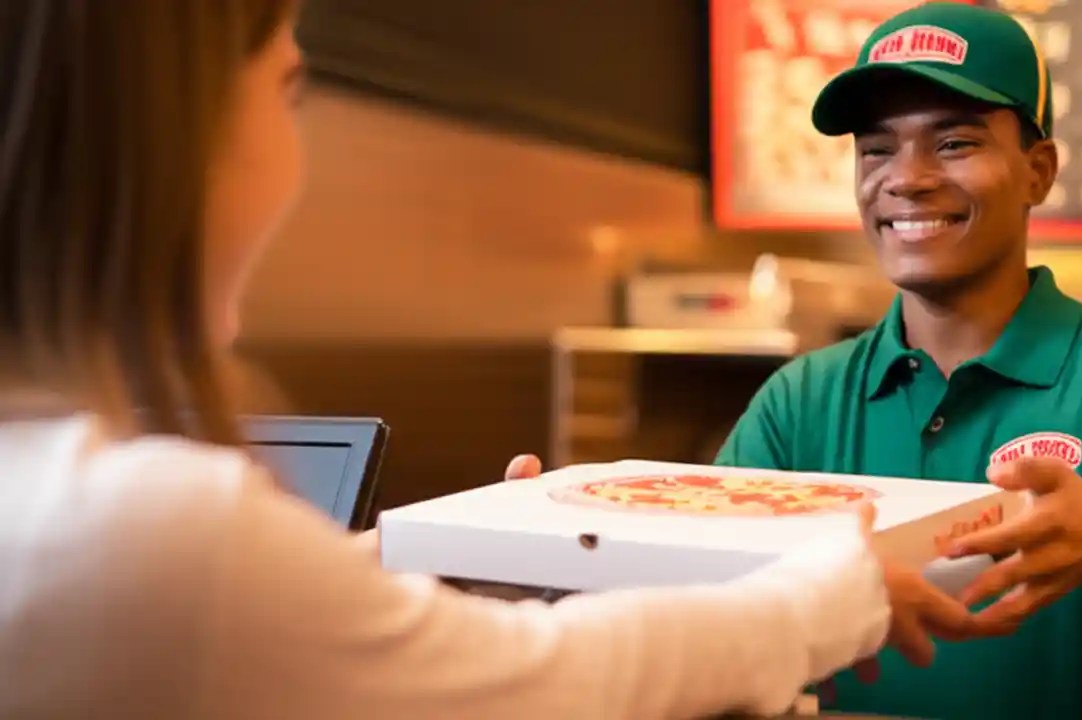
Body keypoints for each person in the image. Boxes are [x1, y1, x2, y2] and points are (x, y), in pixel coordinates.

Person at [0, 2, 983, 719]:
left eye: (953, 141)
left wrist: (464, 561)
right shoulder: (147, 531)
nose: (907, 180)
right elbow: (555, 680)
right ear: (176, 133)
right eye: (287, 93)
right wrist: (831, 591)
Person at [513, 2, 1082, 719]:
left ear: (1038, 171)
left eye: (954, 143)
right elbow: (700, 613)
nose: (906, 177)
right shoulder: (802, 396)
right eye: (876, 149)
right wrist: (564, 559)